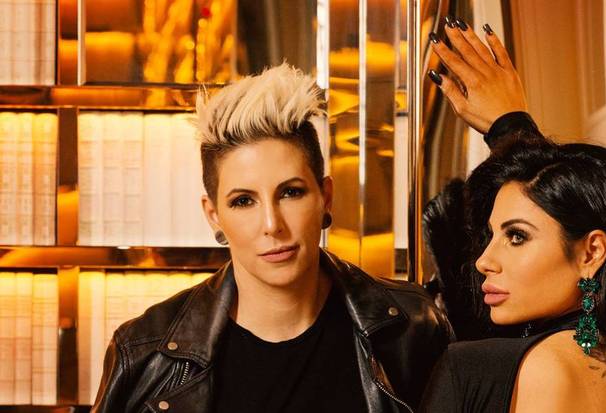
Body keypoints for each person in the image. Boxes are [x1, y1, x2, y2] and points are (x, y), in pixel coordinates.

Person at [92, 64, 453, 413]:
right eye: (243, 201)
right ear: (213, 215)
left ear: (325, 197)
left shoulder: (412, 327)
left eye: (291, 192)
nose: (272, 224)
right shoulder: (144, 353)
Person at [419, 18, 606, 412]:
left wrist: (511, 128)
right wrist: (511, 127)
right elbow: (565, 202)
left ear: (592, 252)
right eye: (491, 235)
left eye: (516, 236)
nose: (484, 260)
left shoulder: (474, 372)